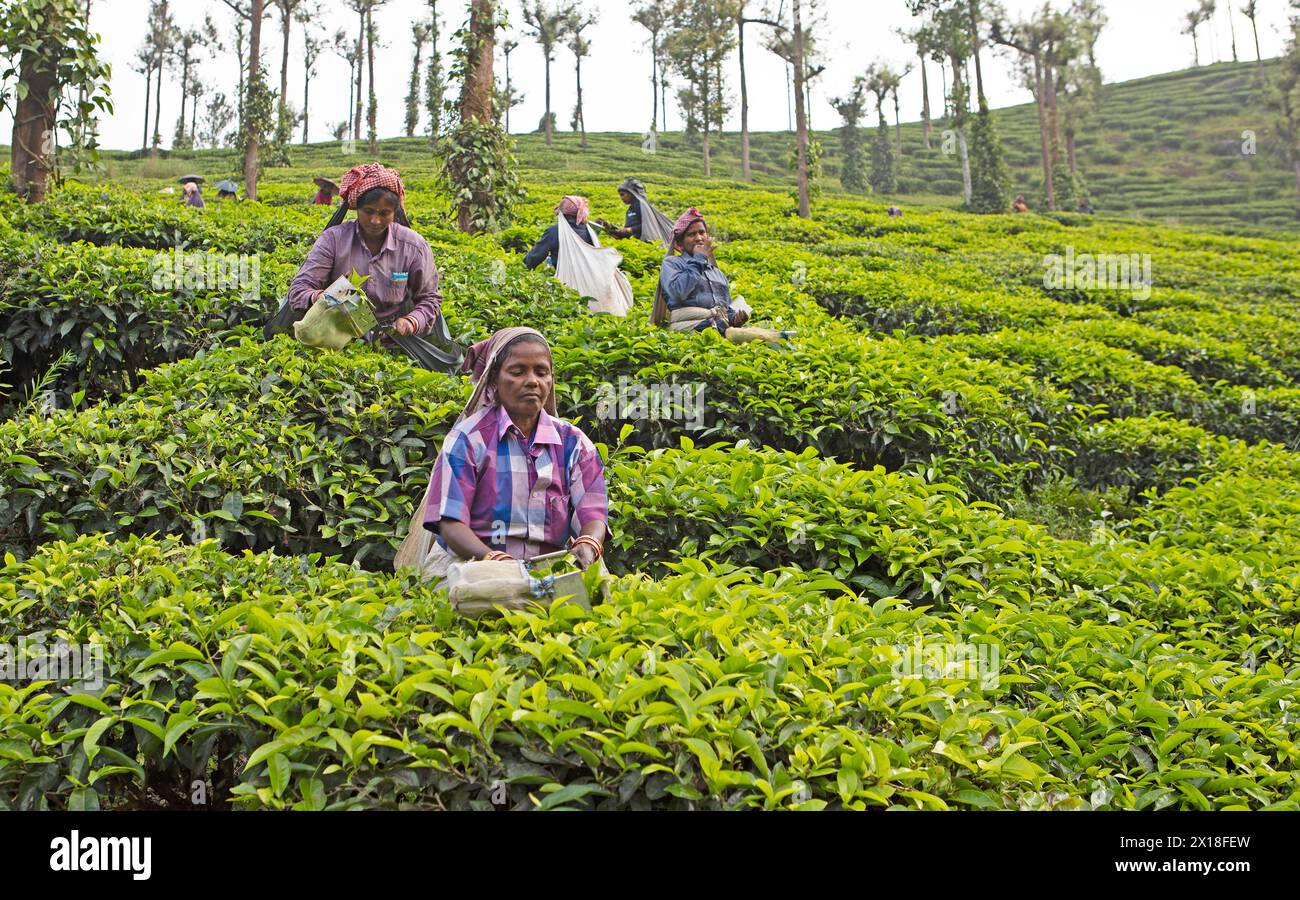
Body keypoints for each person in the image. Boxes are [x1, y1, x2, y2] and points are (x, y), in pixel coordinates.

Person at [393, 327, 609, 581]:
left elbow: (593, 511)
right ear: (494, 380)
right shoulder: (468, 440)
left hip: (550, 570)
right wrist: (493, 560)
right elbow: (450, 523)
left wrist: (588, 543)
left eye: (542, 372)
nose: (532, 381)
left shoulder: (574, 443)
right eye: (518, 372)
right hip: (473, 564)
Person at [270, 162, 463, 372]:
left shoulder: (413, 246)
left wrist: (411, 321)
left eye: (384, 213)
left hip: (393, 342)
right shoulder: (333, 240)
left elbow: (430, 298)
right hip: (333, 340)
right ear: (356, 208)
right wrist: (325, 298)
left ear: (395, 211)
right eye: (368, 211)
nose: (375, 220)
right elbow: (299, 289)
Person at [653, 208, 791, 346]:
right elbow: (678, 292)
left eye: (702, 232)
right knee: (744, 335)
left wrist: (735, 319)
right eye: (691, 234)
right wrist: (699, 259)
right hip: (689, 327)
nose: (699, 238)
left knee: (760, 336)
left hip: (719, 326)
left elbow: (724, 308)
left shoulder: (717, 273)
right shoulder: (672, 263)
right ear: (680, 243)